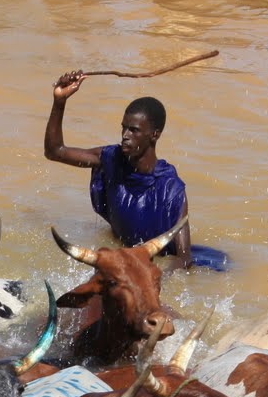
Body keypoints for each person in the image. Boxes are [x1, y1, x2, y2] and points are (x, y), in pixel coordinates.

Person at [44, 71, 193, 267]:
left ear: (154, 135)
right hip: (121, 256)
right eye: (123, 128)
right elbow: (54, 151)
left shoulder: (171, 189)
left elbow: (184, 259)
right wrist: (59, 102)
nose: (125, 135)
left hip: (152, 264)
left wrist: (155, 278)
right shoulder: (110, 159)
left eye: (134, 130)